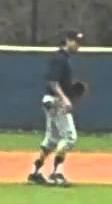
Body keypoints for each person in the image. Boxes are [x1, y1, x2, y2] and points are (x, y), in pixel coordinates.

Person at [28, 29, 86, 187]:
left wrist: (70, 90)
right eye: (76, 42)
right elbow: (52, 82)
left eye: (80, 43)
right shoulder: (59, 58)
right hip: (55, 101)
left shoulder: (63, 59)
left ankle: (35, 172)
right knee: (69, 137)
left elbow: (58, 82)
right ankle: (57, 173)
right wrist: (65, 98)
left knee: (52, 140)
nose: (78, 45)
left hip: (52, 100)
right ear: (67, 40)